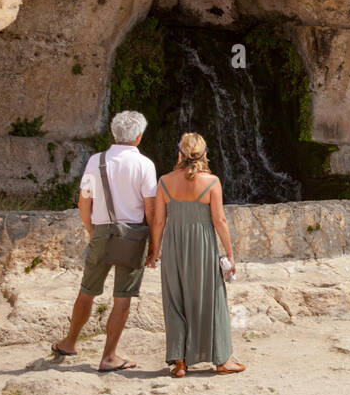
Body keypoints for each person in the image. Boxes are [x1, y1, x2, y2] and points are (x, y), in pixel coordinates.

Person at [51, 110, 157, 372]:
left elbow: (83, 200)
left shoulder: (95, 161)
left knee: (87, 290)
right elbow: (151, 210)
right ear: (138, 137)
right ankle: (109, 356)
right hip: (133, 234)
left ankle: (70, 342)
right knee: (123, 297)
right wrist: (155, 244)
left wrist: (92, 230)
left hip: (102, 230)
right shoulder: (145, 165)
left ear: (114, 133)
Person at [146, 132, 244, 377]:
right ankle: (222, 360)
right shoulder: (212, 182)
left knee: (175, 301)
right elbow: (219, 220)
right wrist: (230, 253)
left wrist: (155, 251)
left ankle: (180, 362)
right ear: (204, 154)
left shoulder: (165, 182)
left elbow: (158, 221)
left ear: (180, 153)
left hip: (173, 247)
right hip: (202, 245)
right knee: (211, 299)